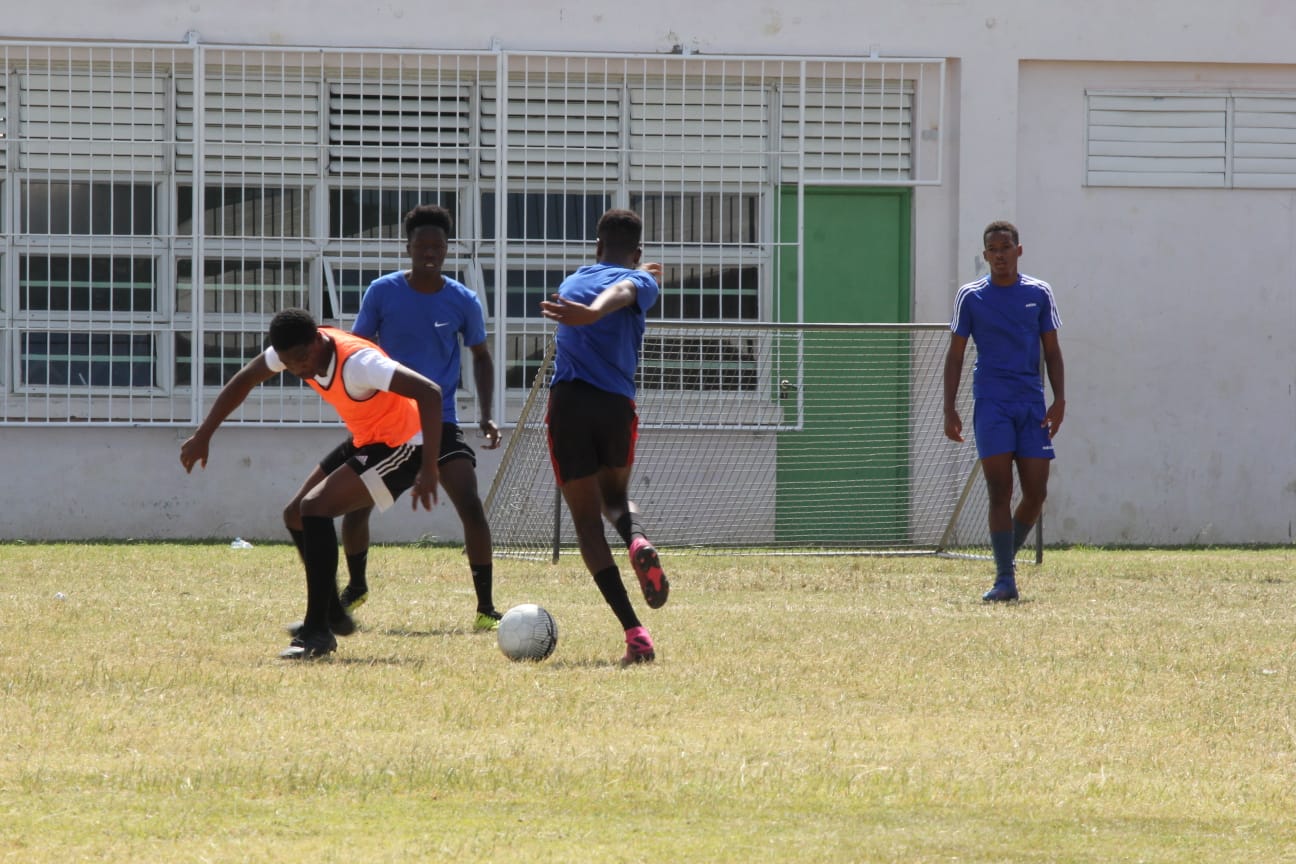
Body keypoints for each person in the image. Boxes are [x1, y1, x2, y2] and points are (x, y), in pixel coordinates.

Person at [180, 308, 444, 659]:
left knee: (314, 508)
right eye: (291, 365)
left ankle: (317, 632)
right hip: (370, 439)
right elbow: (244, 379)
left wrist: (430, 468)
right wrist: (203, 435)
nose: (301, 369)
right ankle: (332, 612)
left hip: (405, 446)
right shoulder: (291, 350)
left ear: (318, 340)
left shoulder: (359, 364)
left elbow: (430, 392)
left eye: (304, 358)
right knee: (295, 515)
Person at [345, 204, 504, 632]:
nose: (430, 252)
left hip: (442, 422)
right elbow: (357, 351)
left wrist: (488, 415)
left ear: (447, 249)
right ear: (409, 247)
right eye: (422, 245)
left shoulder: (462, 300)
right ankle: (356, 586)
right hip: (391, 424)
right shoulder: (382, 291)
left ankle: (486, 608)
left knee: (471, 507)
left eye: (438, 245)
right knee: (355, 509)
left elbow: (481, 357)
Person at [539, 208, 670, 665]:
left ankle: (635, 632)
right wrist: (610, 301)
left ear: (596, 247)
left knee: (586, 525)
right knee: (615, 500)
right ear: (636, 251)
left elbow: (617, 287)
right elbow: (628, 288)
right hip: (615, 407)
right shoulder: (643, 282)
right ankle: (637, 542)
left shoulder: (575, 283)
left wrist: (588, 312)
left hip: (570, 405)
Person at [943, 220, 1066, 602]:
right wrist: (949, 408)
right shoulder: (971, 296)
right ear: (986, 256)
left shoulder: (1039, 293)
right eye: (992, 250)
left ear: (1019, 250)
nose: (999, 255)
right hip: (991, 403)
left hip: (1030, 404)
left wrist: (1059, 399)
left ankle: (1005, 560)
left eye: (1005, 247)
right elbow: (956, 354)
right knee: (1000, 490)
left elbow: (1052, 351)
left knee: (1035, 494)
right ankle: (1004, 581)